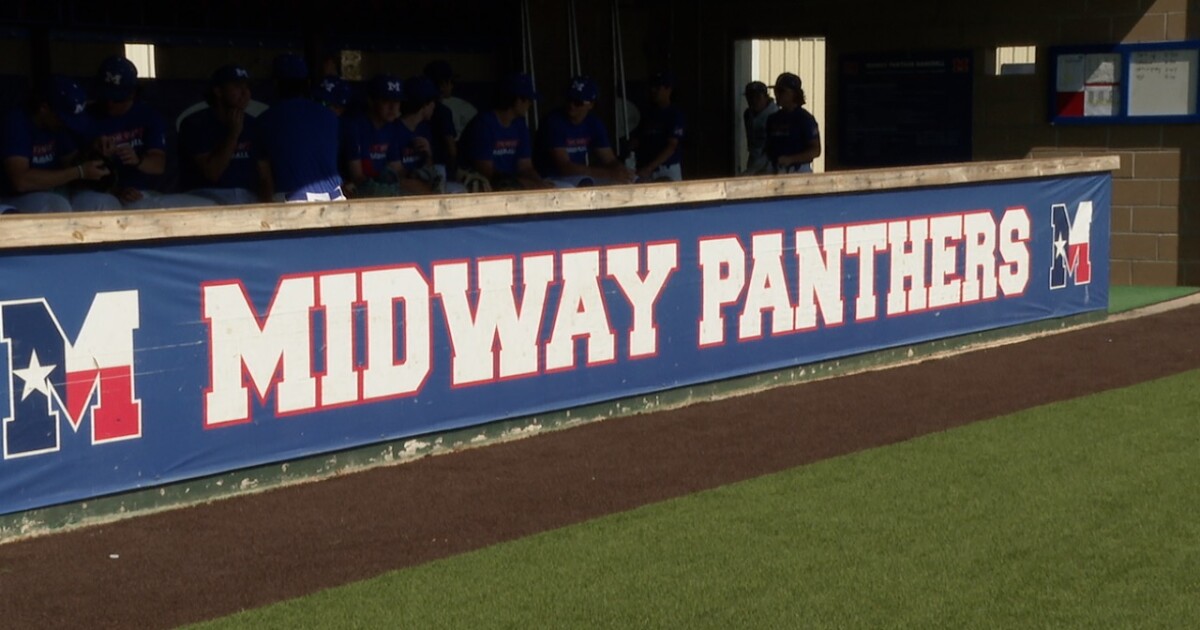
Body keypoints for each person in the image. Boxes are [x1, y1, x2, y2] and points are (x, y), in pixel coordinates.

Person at [73, 55, 214, 210]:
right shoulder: (85, 116)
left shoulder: (147, 116)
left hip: (141, 194)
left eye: (116, 99)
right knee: (99, 204)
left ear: (132, 93)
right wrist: (93, 152)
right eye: (106, 97)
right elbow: (71, 168)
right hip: (101, 193)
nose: (110, 103)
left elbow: (158, 164)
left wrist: (137, 159)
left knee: (207, 206)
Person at [1, 76, 110, 212]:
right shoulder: (17, 122)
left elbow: (70, 161)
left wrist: (94, 152)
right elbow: (20, 181)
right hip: (11, 199)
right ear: (44, 108)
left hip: (54, 192)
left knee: (102, 203)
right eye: (64, 118)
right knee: (55, 206)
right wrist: (79, 172)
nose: (67, 123)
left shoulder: (57, 126)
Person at [255, 53, 345, 203]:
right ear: (307, 83)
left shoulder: (265, 120)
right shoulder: (329, 115)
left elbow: (265, 181)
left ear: (276, 84)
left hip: (295, 202)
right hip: (335, 198)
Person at [177, 64, 258, 205]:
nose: (245, 93)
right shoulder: (195, 123)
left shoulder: (253, 124)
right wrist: (234, 134)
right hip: (204, 196)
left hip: (248, 197)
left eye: (247, 87)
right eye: (238, 87)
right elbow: (213, 172)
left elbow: (264, 173)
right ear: (218, 91)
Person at [534, 75, 634, 187]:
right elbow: (564, 167)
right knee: (585, 184)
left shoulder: (593, 123)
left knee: (625, 183)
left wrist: (621, 171)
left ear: (591, 104)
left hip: (578, 176)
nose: (571, 106)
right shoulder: (553, 122)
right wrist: (610, 173)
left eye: (578, 102)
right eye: (569, 99)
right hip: (552, 178)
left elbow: (609, 160)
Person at [458, 73, 551, 191]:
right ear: (517, 100)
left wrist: (540, 184)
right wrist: (523, 184)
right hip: (482, 184)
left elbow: (526, 167)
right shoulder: (483, 124)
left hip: (512, 182)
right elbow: (486, 171)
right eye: (528, 100)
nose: (530, 104)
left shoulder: (520, 124)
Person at [339, 74, 406, 198]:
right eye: (386, 101)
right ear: (371, 101)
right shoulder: (355, 126)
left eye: (396, 102)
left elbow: (397, 170)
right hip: (355, 191)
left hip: (380, 186)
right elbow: (357, 177)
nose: (392, 107)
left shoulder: (391, 127)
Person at [629, 70, 685, 182]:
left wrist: (649, 168)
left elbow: (672, 146)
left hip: (666, 169)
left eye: (658, 87)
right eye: (652, 87)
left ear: (668, 89)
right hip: (646, 169)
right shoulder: (648, 113)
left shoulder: (674, 114)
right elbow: (639, 140)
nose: (653, 90)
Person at [765, 72, 821, 174]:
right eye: (776, 91)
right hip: (775, 170)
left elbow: (815, 150)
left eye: (781, 91)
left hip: (798, 170)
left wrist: (791, 159)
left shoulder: (804, 118)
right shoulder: (772, 119)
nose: (777, 95)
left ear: (794, 93)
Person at [741, 80, 778, 176]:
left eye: (758, 97)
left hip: (771, 162)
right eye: (750, 98)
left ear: (766, 97)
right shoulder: (748, 114)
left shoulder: (775, 115)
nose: (753, 101)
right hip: (754, 157)